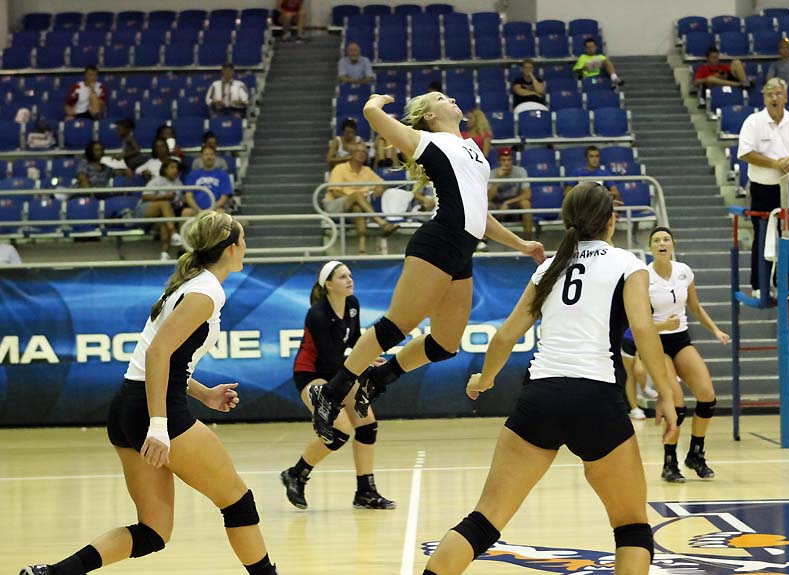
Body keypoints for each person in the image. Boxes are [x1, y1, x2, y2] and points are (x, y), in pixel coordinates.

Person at [421, 182, 676, 575]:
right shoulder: (629, 264)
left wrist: (484, 379)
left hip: (539, 396)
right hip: (596, 399)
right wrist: (666, 394)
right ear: (612, 221)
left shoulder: (548, 267)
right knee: (632, 530)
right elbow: (643, 331)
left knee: (484, 520)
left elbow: (506, 335)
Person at [20, 211, 281, 575]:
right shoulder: (206, 291)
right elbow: (158, 353)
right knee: (239, 504)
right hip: (155, 412)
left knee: (153, 533)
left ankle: (53, 573)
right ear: (232, 247)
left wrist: (203, 394)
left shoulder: (189, 287)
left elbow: (159, 360)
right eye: (244, 240)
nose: (246, 247)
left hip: (127, 407)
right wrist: (159, 426)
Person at [308, 91, 546, 444]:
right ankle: (331, 393)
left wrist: (522, 244)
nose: (450, 98)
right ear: (430, 115)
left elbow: (480, 213)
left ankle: (379, 378)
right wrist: (373, 104)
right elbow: (375, 119)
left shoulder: (474, 152)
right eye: (440, 98)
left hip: (462, 249)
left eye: (450, 96)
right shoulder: (428, 141)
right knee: (396, 325)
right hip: (438, 240)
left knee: (445, 344)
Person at [280, 261, 396, 511]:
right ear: (328, 285)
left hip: (339, 372)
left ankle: (365, 491)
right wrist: (361, 362)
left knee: (367, 425)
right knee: (339, 430)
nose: (350, 280)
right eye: (343, 277)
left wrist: (369, 355)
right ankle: (296, 474)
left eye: (350, 275)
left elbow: (354, 341)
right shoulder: (318, 314)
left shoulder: (352, 305)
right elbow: (329, 358)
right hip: (312, 374)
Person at [646, 226, 729, 483]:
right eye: (657, 240)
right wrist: (662, 326)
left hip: (680, 339)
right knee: (677, 405)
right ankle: (669, 461)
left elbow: (694, 306)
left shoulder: (684, 271)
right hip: (655, 342)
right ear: (650, 247)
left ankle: (696, 454)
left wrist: (715, 329)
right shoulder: (642, 276)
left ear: (673, 244)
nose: (662, 243)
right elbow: (635, 322)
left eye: (666, 239)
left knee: (707, 397)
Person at [738, 77, 789, 297]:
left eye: (778, 93)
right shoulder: (753, 121)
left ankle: (785, 282)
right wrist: (774, 163)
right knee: (761, 237)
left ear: (786, 97)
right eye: (769, 94)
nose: (774, 98)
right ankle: (758, 286)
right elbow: (745, 153)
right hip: (763, 189)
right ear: (764, 97)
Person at [325, 143, 400, 254]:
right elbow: (335, 192)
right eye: (358, 151)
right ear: (351, 154)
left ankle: (362, 248)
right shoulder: (340, 168)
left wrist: (380, 187)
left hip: (354, 208)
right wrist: (354, 197)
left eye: (364, 152)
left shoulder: (367, 170)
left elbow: (384, 184)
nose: (362, 154)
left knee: (357, 208)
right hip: (335, 204)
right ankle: (381, 222)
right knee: (357, 196)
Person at [140, 159, 184, 261]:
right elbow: (145, 197)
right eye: (172, 167)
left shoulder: (179, 183)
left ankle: (164, 254)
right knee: (164, 203)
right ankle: (173, 234)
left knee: (165, 223)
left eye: (177, 168)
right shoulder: (157, 180)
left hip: (164, 215)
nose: (175, 170)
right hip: (146, 210)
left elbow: (179, 202)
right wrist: (164, 197)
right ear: (165, 169)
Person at [488, 147, 533, 239]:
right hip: (496, 205)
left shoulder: (520, 171)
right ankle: (483, 242)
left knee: (526, 204)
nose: (506, 163)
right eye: (503, 160)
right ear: (499, 161)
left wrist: (508, 203)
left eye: (509, 160)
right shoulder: (492, 173)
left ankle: (528, 240)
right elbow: (488, 197)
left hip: (513, 204)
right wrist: (497, 180)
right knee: (486, 206)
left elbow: (527, 194)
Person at [184, 146, 234, 214]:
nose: (209, 157)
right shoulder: (193, 174)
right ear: (201, 156)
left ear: (215, 156)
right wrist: (198, 210)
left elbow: (224, 197)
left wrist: (211, 209)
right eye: (206, 154)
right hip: (196, 210)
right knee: (186, 212)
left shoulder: (223, 175)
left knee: (221, 213)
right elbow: (188, 196)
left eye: (211, 154)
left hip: (216, 209)